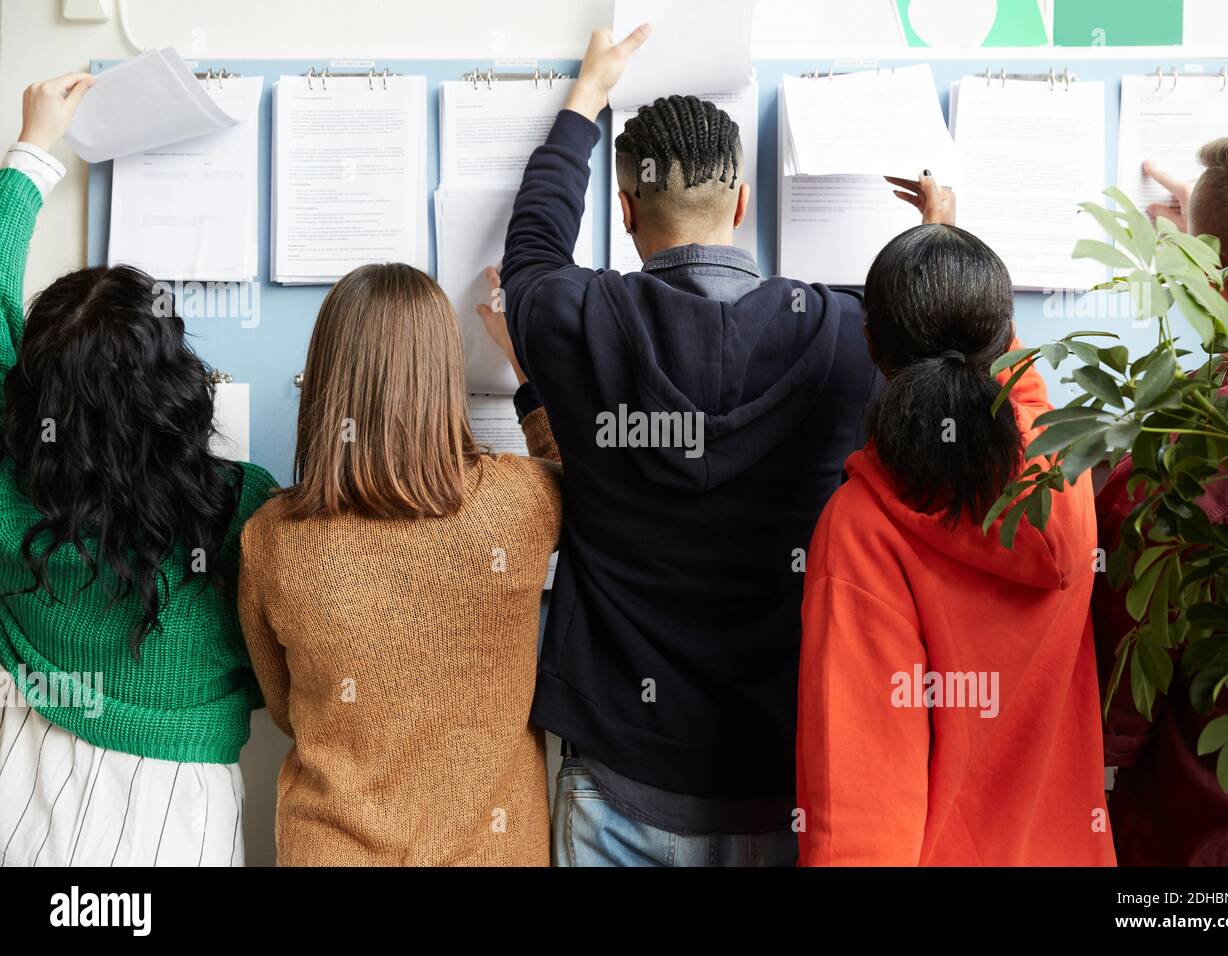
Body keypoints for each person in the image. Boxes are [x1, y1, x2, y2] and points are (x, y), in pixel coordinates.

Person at [498, 25, 941, 867]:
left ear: (624, 212)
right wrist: (943, 239)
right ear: (741, 204)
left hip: (620, 769)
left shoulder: (572, 318)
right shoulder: (848, 337)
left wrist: (587, 93)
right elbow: (935, 344)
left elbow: (531, 248)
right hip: (782, 773)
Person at [0, 74, 277, 866]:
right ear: (176, 376)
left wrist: (33, 147)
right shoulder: (241, 503)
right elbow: (271, 662)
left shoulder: (9, 478)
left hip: (27, 780)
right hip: (178, 807)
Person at [796, 194, 1117, 865]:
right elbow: (1014, 386)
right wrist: (948, 258)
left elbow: (859, 813)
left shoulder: (861, 528)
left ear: (869, 347)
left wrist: (929, 270)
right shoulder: (1065, 468)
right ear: (1001, 338)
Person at [237, 262, 561, 866]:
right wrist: (529, 374)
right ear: (443, 378)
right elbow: (606, 492)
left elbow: (287, 710)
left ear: (327, 381)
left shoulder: (272, 539)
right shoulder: (521, 502)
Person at [1095, 129, 1228, 865]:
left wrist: (1207, 257)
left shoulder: (1175, 455)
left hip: (1204, 840)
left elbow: (1120, 701)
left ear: (1200, 267)